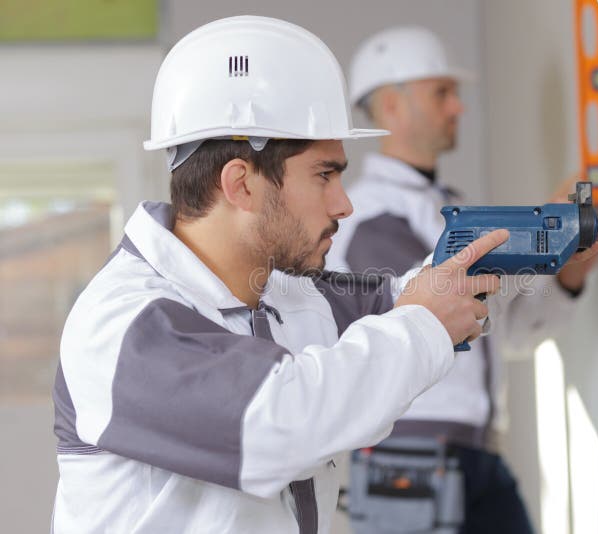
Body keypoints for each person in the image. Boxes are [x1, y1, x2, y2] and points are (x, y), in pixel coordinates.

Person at [51, 16, 510, 533]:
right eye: (324, 175)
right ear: (241, 185)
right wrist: (425, 324)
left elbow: (403, 299)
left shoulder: (286, 295)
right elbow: (276, 424)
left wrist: (522, 245)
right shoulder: (121, 325)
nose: (344, 203)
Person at [327, 26, 598, 533]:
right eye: (442, 93)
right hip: (407, 452)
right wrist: (533, 243)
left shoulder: (444, 209)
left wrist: (567, 273)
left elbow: (508, 331)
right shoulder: (366, 216)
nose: (458, 108)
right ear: (391, 107)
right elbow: (440, 312)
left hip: (475, 449)